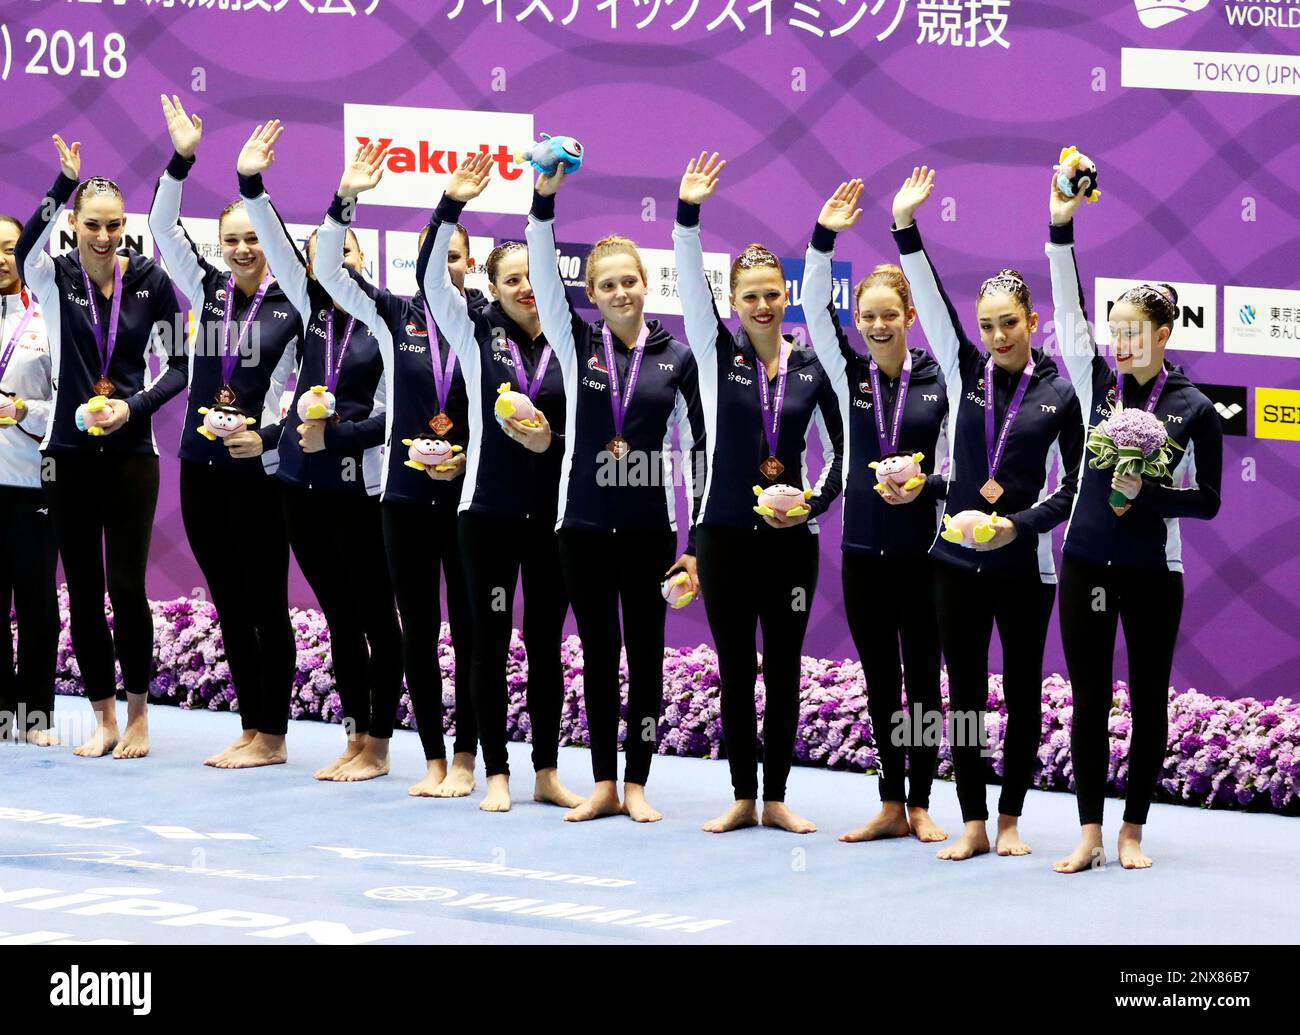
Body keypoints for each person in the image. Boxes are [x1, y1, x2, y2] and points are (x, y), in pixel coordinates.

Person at [892, 166, 1084, 861]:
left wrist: (1022, 524)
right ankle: (972, 819)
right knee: (964, 691)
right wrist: (905, 227)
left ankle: (1010, 818)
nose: (998, 334)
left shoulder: (1062, 391)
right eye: (988, 325)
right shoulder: (963, 369)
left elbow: (1077, 488)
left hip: (1024, 565)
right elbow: (934, 304)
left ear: (1033, 322)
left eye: (1010, 323)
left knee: (1025, 694)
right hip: (953, 561)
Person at [1045, 176, 1222, 872]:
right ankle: (1089, 830)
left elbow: (1207, 500)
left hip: (1154, 572)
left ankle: (1133, 830)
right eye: (1112, 329)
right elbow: (1064, 301)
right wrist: (1061, 227)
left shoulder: (1196, 407)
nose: (1118, 340)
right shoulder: (1093, 383)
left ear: (1162, 333)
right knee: (1088, 700)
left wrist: (1150, 494)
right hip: (1086, 562)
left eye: (1131, 330)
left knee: (1148, 700)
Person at [525, 161, 707, 823]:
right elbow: (544, 274)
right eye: (608, 284)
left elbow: (699, 453)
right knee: (599, 655)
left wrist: (694, 546)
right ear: (592, 294)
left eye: (629, 279)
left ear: (646, 282)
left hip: (648, 534)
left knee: (648, 659)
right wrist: (542, 200)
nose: (621, 291)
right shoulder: (574, 344)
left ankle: (637, 783)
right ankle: (603, 782)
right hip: (580, 527)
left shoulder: (677, 358)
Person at [672, 153, 844, 834]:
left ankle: (776, 796)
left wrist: (814, 502)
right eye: (751, 295)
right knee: (736, 667)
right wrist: (688, 216)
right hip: (720, 536)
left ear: (788, 294)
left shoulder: (812, 368)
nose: (764, 303)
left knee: (783, 668)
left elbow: (844, 453)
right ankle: (743, 794)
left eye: (774, 291)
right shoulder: (715, 355)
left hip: (789, 541)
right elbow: (689, 288)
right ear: (735, 302)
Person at [417, 153, 585, 814]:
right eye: (510, 278)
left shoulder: (572, 340)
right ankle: (496, 774)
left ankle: (546, 771)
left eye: (531, 277)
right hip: (484, 513)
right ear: (491, 285)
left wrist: (555, 442)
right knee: (485, 644)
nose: (524, 287)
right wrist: (449, 205)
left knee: (545, 645)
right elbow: (432, 281)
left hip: (551, 518)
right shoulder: (474, 335)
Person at [235, 121, 401, 781]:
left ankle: (381, 745)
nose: (339, 266)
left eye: (350, 254)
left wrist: (337, 434)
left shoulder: (390, 321)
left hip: (359, 492)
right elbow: (277, 239)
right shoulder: (311, 311)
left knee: (377, 619)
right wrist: (251, 183)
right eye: (331, 257)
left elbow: (397, 415)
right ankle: (355, 733)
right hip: (301, 490)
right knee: (338, 617)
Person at [314, 141, 481, 797]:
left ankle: (468, 757)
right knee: (419, 630)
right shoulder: (390, 316)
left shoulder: (491, 323)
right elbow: (327, 267)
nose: (447, 264)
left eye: (459, 255)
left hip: (470, 502)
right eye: (438, 254)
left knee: (472, 632)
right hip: (405, 498)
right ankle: (433, 758)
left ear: (469, 265)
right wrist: (345, 197)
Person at [16, 135, 188, 759]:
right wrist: (63, 180)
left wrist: (132, 407)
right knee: (84, 590)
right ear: (75, 224)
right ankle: (105, 719)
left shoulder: (151, 282)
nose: (106, 236)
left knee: (126, 587)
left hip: (130, 457)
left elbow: (180, 367)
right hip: (65, 453)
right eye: (93, 224)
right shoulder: (51, 273)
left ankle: (139, 716)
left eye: (115, 225)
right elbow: (27, 238)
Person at [148, 95, 298, 769]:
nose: (241, 248)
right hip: (200, 466)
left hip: (259, 471)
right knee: (230, 598)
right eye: (231, 239)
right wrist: (181, 159)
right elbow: (159, 224)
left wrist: (265, 439)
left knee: (266, 598)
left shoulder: (294, 306)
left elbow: (310, 398)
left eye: (253, 238)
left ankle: (273, 732)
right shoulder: (205, 287)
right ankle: (250, 722)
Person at [802, 179, 951, 844]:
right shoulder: (846, 376)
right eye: (869, 315)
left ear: (910, 316)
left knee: (922, 679)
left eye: (891, 313)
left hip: (926, 555)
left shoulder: (941, 378)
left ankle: (921, 801)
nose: (879, 324)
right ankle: (890, 800)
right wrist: (822, 236)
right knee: (879, 680)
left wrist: (932, 488)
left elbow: (956, 465)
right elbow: (811, 302)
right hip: (862, 554)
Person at [0, 213, 59, 747]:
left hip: (31, 483)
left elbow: (66, 403)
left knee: (37, 604)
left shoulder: (48, 318)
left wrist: (22, 410)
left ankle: (36, 714)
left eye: (8, 248)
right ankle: (0, 714)